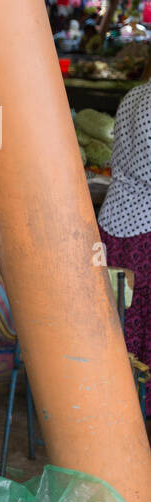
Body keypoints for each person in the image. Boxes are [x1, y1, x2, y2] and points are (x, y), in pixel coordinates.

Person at [98, 80, 151, 411]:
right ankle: (135, 413)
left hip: (113, 220)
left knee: (112, 322)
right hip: (145, 227)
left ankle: (107, 405)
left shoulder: (135, 94)